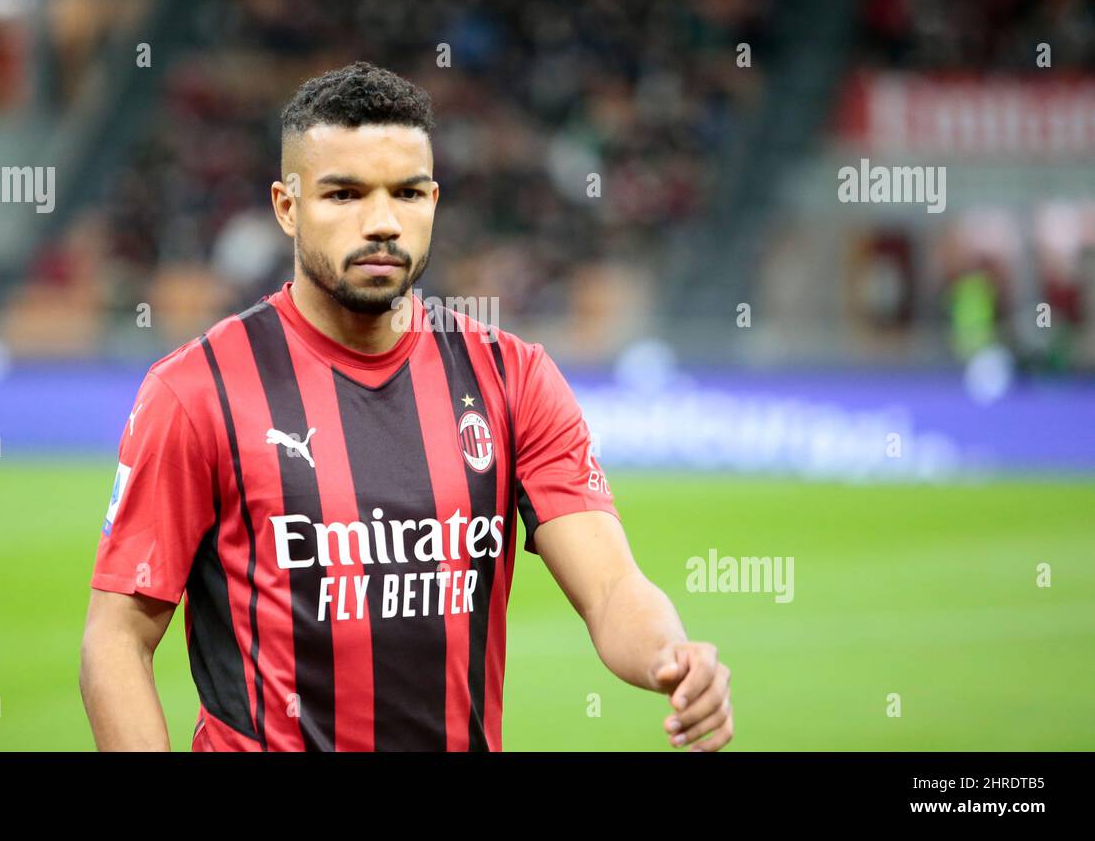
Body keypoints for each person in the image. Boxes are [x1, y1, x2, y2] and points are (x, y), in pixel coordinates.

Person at [79, 62, 733, 752]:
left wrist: (672, 656)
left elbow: (612, 588)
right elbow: (117, 638)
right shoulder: (196, 390)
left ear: (434, 201)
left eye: (408, 193)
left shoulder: (513, 378)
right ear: (287, 207)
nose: (383, 223)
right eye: (345, 194)